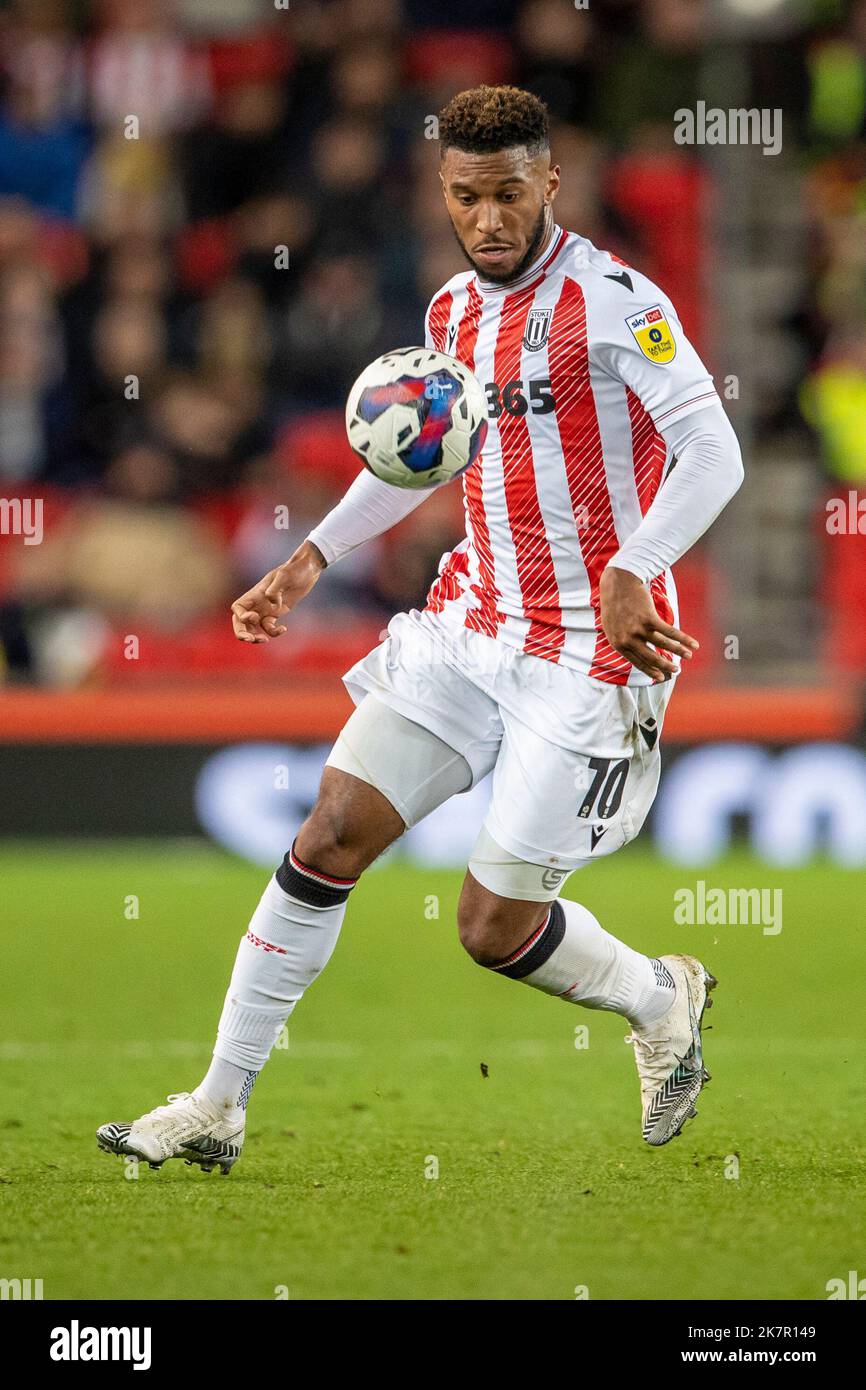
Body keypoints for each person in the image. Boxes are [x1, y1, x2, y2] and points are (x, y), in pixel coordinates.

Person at [97, 85, 743, 1174]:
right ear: (439, 191)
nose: (486, 218)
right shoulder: (449, 315)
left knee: (492, 928)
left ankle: (657, 995)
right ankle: (216, 1104)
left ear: (548, 183)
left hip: (591, 647)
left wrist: (636, 565)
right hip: (470, 624)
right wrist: (312, 556)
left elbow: (712, 452)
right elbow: (419, 456)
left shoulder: (616, 302)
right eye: (463, 196)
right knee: (329, 833)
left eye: (505, 194)